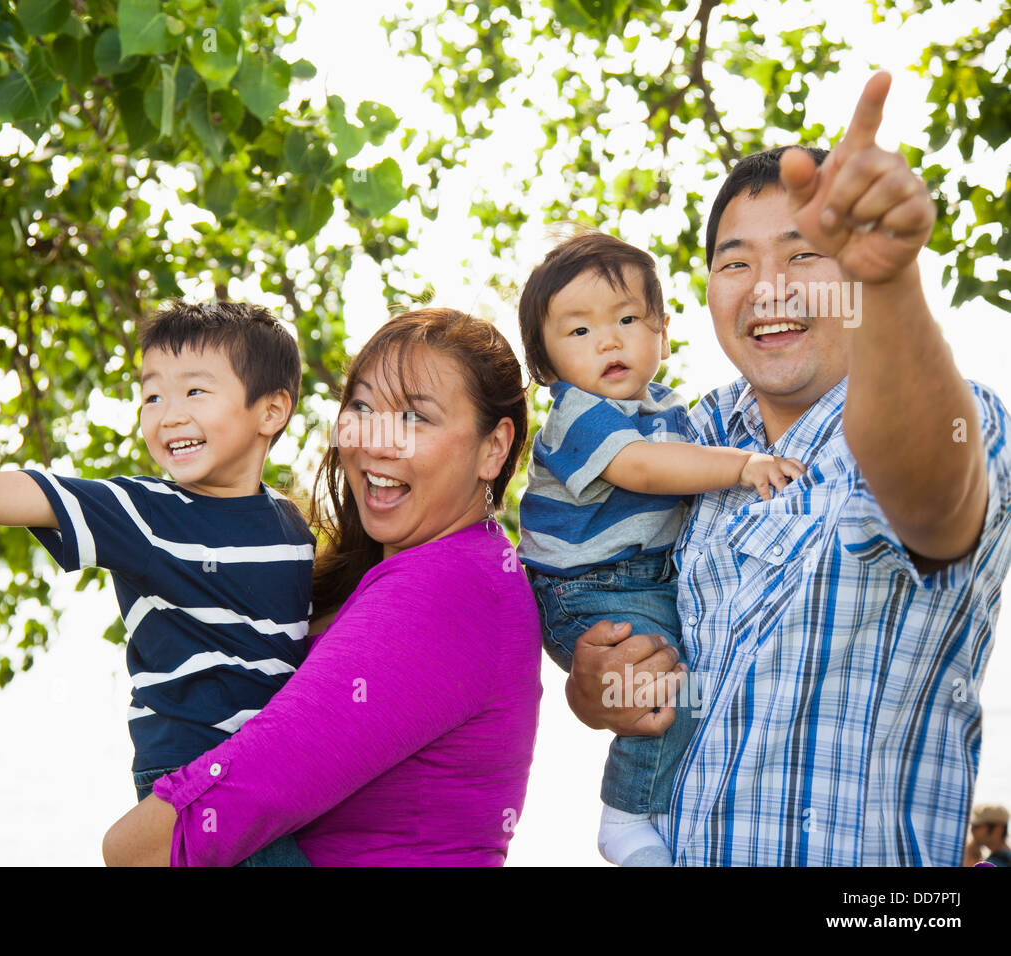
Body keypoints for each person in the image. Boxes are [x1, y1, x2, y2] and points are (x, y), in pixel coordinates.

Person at [563, 72, 1011, 865]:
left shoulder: (959, 414)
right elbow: (585, 562)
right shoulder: (683, 434)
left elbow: (934, 506)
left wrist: (891, 280)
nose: (768, 288)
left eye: (805, 255)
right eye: (735, 263)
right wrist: (598, 679)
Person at [0, 300, 314, 866]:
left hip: (275, 768)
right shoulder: (145, 513)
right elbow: (38, 492)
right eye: (151, 396)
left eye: (194, 392)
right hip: (194, 766)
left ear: (270, 411)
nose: (167, 415)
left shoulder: (291, 525)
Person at [101, 308, 544, 866]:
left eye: (415, 418)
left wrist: (123, 844)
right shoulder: (438, 568)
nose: (377, 443)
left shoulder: (443, 588)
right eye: (361, 407)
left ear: (494, 448)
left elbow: (181, 834)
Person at [515, 229, 805, 866]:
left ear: (663, 332)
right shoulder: (578, 412)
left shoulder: (670, 411)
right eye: (580, 331)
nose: (610, 340)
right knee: (661, 677)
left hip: (643, 580)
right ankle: (626, 815)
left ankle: (677, 808)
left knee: (695, 677)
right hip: (585, 587)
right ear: (547, 363)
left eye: (627, 319)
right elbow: (644, 470)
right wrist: (742, 466)